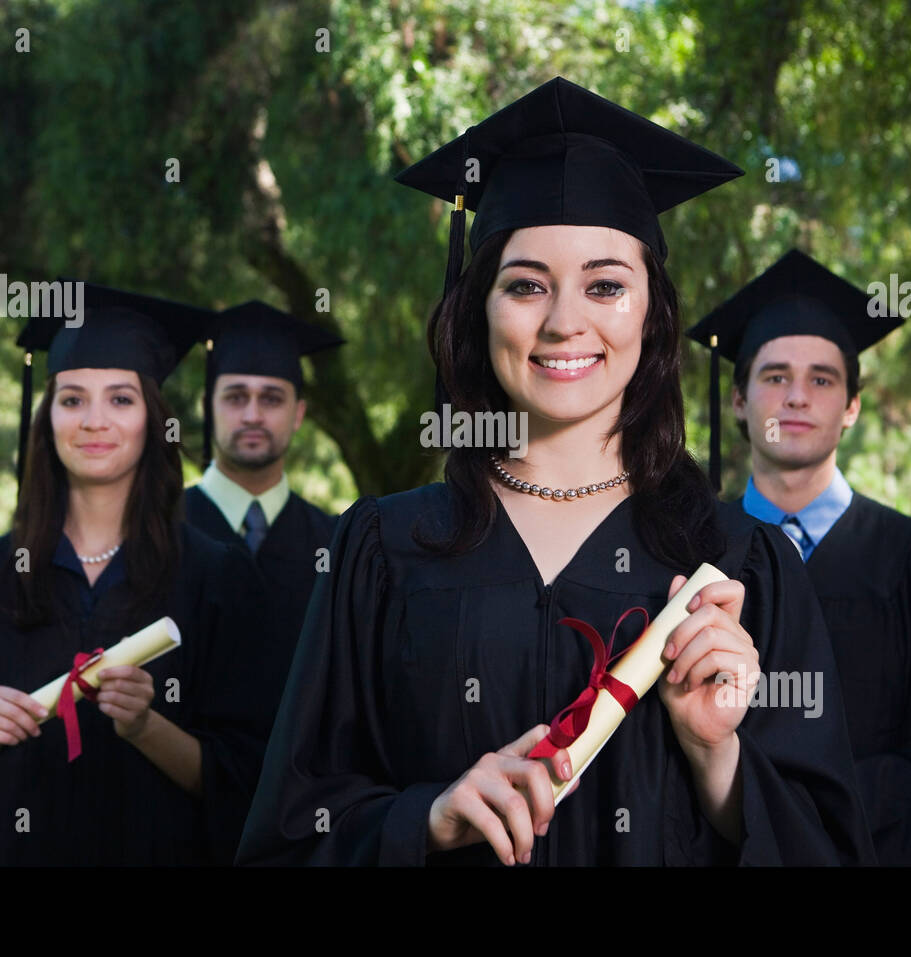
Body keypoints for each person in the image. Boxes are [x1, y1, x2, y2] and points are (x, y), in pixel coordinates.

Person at [237, 78, 875, 866]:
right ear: (480, 308)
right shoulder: (382, 550)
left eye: (605, 284)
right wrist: (426, 819)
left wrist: (718, 756)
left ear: (652, 312)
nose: (564, 320)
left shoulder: (738, 568)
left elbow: (834, 851)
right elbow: (287, 837)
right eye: (526, 284)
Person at [0, 282, 269, 865]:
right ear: (47, 419)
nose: (92, 422)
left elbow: (256, 783)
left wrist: (145, 727)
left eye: (120, 399)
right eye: (71, 399)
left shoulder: (217, 579)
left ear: (152, 419)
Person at [686, 248, 911, 864]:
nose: (796, 397)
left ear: (851, 408)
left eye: (821, 379)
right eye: (773, 376)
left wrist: (804, 818)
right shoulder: (688, 558)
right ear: (738, 401)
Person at [184, 301, 343, 745]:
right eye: (236, 397)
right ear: (207, 407)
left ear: (298, 413)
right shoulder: (154, 531)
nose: (252, 414)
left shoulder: (336, 545)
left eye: (271, 398)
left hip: (302, 801)